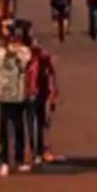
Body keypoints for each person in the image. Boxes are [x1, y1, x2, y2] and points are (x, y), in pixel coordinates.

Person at [0, 29, 33, 176]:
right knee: (4, 128)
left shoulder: (25, 51)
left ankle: (20, 158)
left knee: (18, 126)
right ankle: (5, 160)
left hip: (18, 93)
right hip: (4, 92)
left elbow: (25, 62)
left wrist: (14, 52)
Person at [27, 36, 59, 165]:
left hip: (41, 94)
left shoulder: (45, 58)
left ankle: (41, 150)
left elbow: (52, 74)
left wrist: (53, 93)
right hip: (29, 94)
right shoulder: (26, 58)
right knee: (30, 123)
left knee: (42, 122)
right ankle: (32, 150)